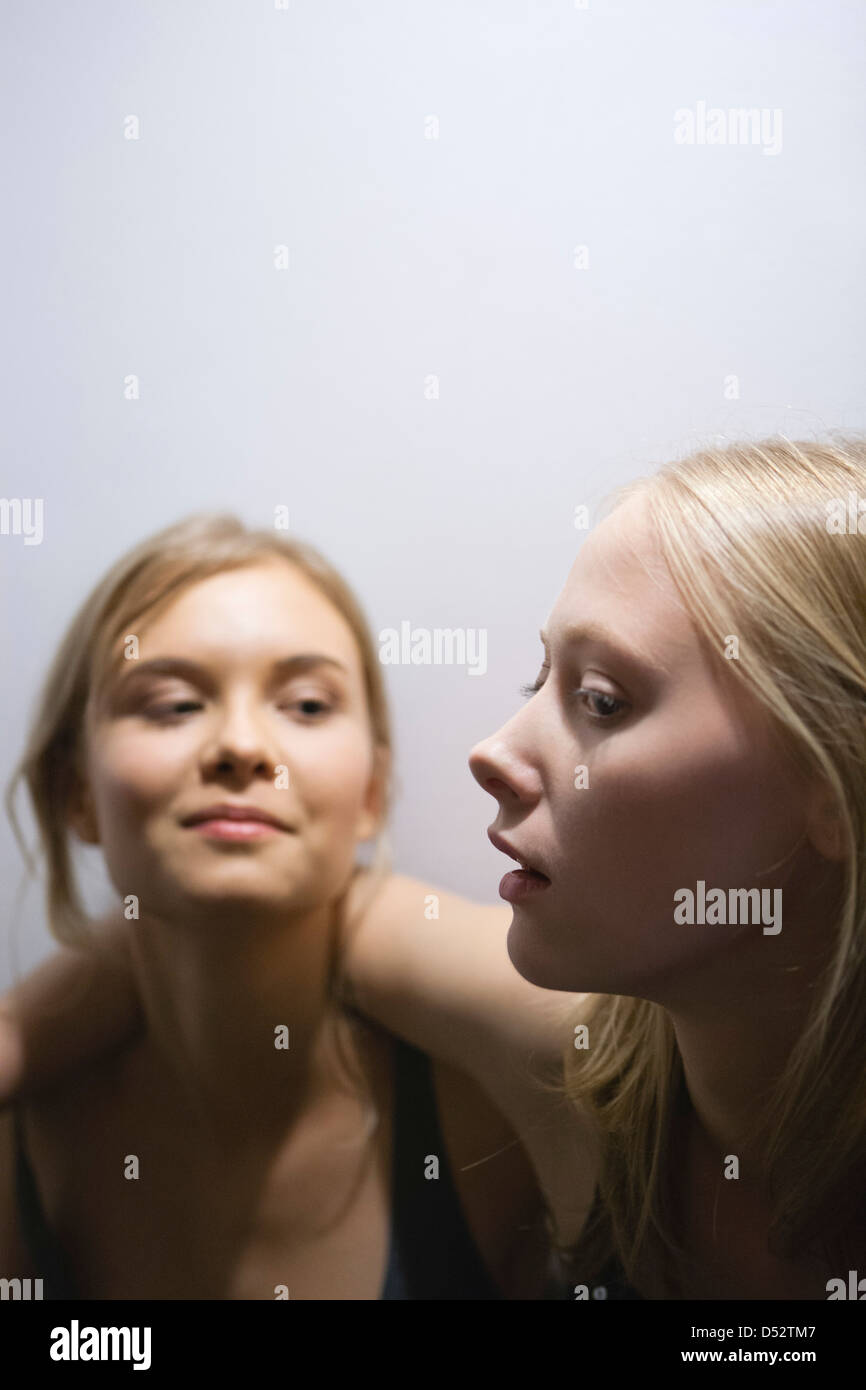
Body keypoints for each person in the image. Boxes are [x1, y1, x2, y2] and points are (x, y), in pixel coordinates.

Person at [5, 435, 866, 1299]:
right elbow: (213, 927)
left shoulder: (538, 1067)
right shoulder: (599, 1076)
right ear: (71, 787)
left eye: (602, 699)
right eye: (171, 704)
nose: (491, 752)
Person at [0, 514, 583, 1300]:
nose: (242, 746)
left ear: (371, 793)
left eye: (307, 706)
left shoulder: (485, 1119)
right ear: (76, 794)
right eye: (172, 705)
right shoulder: (26, 1151)